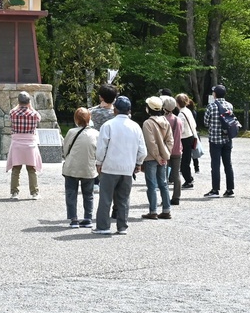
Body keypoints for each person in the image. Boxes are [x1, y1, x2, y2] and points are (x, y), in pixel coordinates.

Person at [93, 96, 147, 235]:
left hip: (110, 166)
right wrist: (139, 163)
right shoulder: (136, 127)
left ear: (115, 109)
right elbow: (142, 150)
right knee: (123, 199)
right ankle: (122, 226)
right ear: (129, 110)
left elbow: (101, 147)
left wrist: (99, 162)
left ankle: (103, 227)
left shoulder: (108, 125)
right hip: (128, 168)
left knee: (106, 198)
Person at [62, 107, 98, 228]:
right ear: (89, 118)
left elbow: (65, 149)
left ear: (76, 119)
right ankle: (88, 218)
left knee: (71, 193)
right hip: (89, 168)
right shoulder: (96, 133)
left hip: (72, 167)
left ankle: (73, 219)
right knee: (89, 194)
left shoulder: (71, 132)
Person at [140, 97, 173, 220]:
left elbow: (150, 143)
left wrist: (158, 157)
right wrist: (165, 155)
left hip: (151, 158)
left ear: (149, 109)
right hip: (163, 157)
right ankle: (166, 209)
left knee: (152, 185)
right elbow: (170, 140)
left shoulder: (147, 123)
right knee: (163, 184)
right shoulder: (165, 121)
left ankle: (153, 211)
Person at [6, 91, 42, 199]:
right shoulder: (34, 114)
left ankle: (14, 192)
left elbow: (12, 113)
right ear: (29, 102)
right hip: (30, 145)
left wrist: (19, 106)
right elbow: (39, 118)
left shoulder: (13, 113)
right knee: (32, 169)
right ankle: (34, 192)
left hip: (17, 144)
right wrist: (31, 107)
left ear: (18, 101)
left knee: (16, 169)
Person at [203, 85, 235, 198]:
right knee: (228, 164)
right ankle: (230, 189)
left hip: (215, 139)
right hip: (227, 139)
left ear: (215, 94)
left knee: (215, 165)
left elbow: (206, 122)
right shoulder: (229, 105)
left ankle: (215, 190)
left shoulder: (211, 106)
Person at [161, 96, 183, 204]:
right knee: (176, 174)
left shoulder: (163, 120)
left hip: (166, 150)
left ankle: (165, 198)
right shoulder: (178, 120)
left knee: (163, 175)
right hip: (177, 150)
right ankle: (176, 197)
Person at [175, 93, 200, 188]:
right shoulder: (188, 111)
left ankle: (188, 180)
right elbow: (194, 124)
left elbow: (181, 129)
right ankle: (189, 178)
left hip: (185, 138)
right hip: (191, 136)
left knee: (185, 161)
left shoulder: (181, 114)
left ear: (177, 103)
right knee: (187, 159)